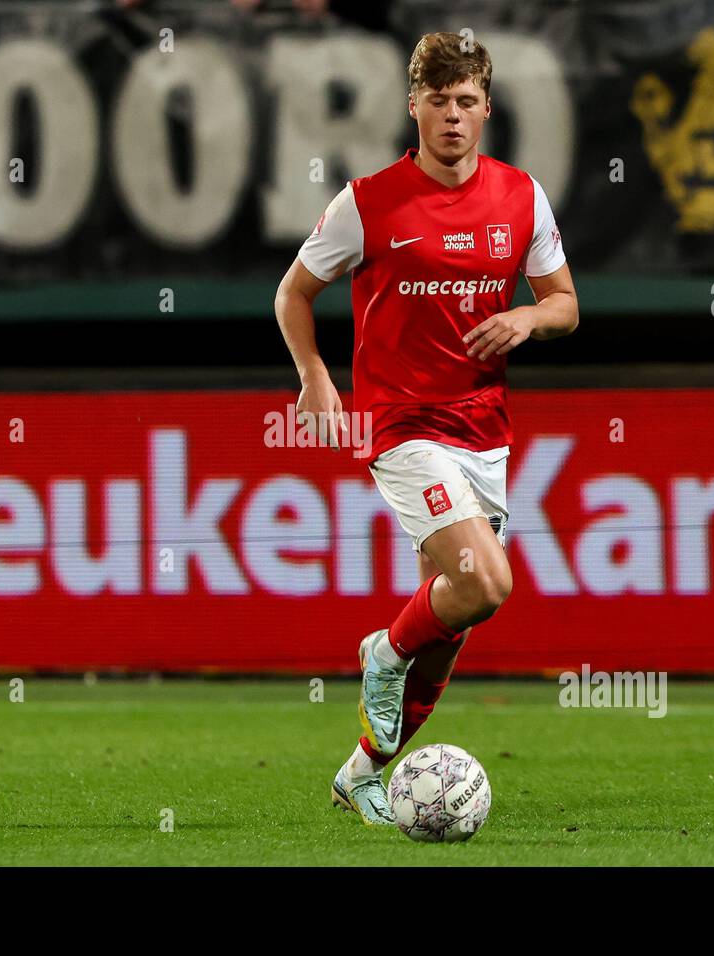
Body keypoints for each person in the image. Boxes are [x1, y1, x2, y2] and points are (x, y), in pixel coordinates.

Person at [273, 32, 579, 825]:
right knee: (489, 582)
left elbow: (566, 305)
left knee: (456, 615)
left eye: (467, 101)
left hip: (486, 431)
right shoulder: (367, 202)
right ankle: (382, 652)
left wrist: (526, 317)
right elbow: (293, 294)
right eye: (438, 101)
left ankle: (363, 772)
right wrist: (315, 379)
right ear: (414, 106)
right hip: (400, 425)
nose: (452, 115)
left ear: (486, 108)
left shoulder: (522, 197)